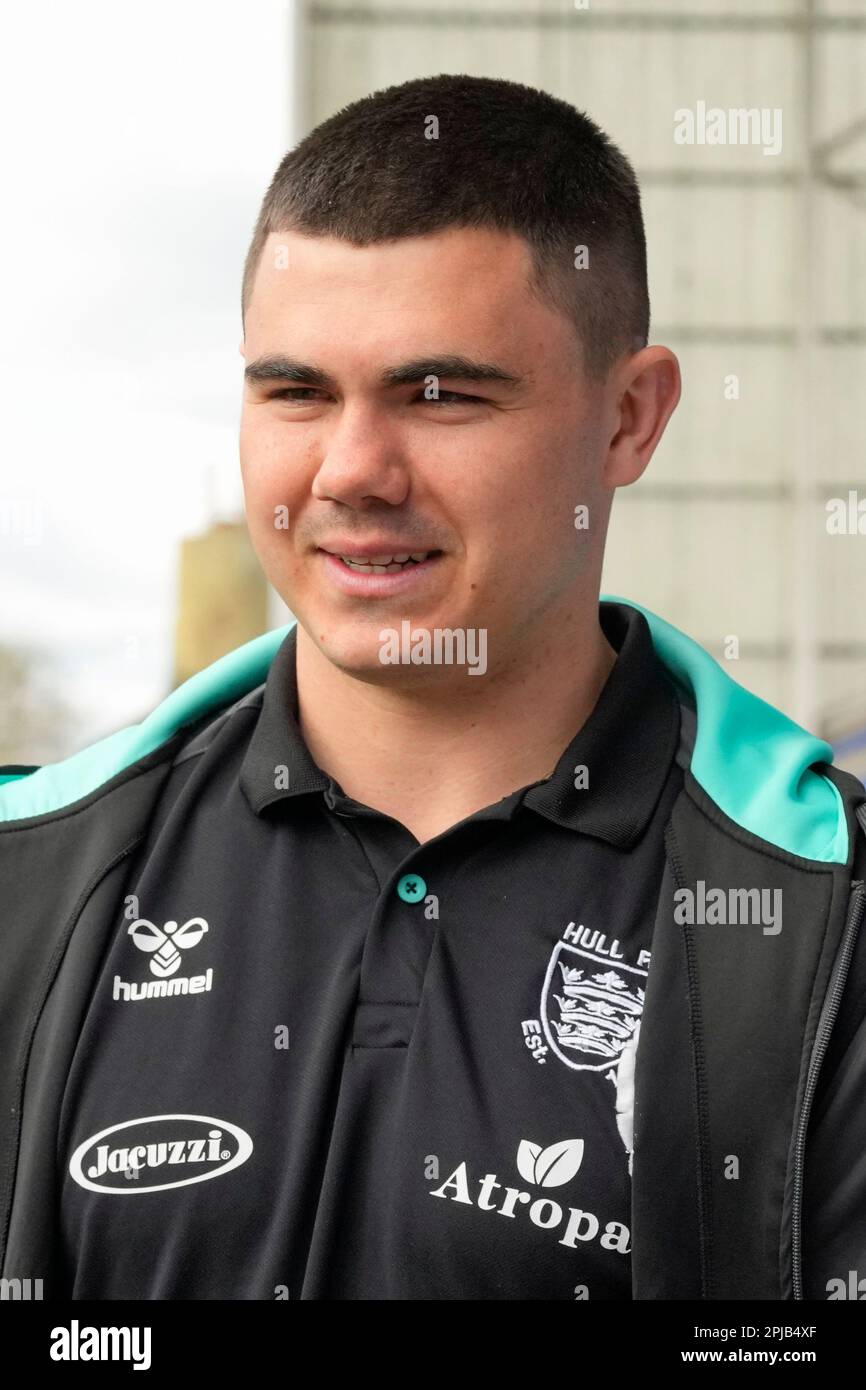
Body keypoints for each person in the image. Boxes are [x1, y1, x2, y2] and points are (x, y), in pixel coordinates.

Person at [1, 73, 864, 1302]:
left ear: (628, 418)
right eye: (293, 390)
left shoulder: (824, 924)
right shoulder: (34, 878)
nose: (351, 471)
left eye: (440, 393)